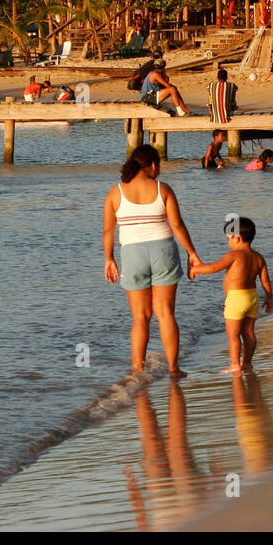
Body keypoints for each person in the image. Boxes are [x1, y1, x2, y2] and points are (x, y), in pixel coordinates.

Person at [103, 145, 203, 377]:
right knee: (165, 312)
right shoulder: (162, 189)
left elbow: (108, 231)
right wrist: (192, 253)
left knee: (140, 316)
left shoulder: (115, 193)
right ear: (153, 165)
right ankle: (174, 368)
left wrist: (109, 259)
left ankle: (137, 369)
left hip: (132, 255)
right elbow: (177, 225)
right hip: (163, 251)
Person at [188, 217, 273, 374]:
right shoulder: (258, 257)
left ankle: (234, 364)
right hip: (252, 297)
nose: (228, 243)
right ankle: (247, 363)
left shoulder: (234, 255)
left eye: (229, 239)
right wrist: (269, 297)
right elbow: (265, 280)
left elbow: (214, 267)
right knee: (248, 332)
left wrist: (196, 269)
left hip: (236, 299)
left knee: (233, 334)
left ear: (238, 238)